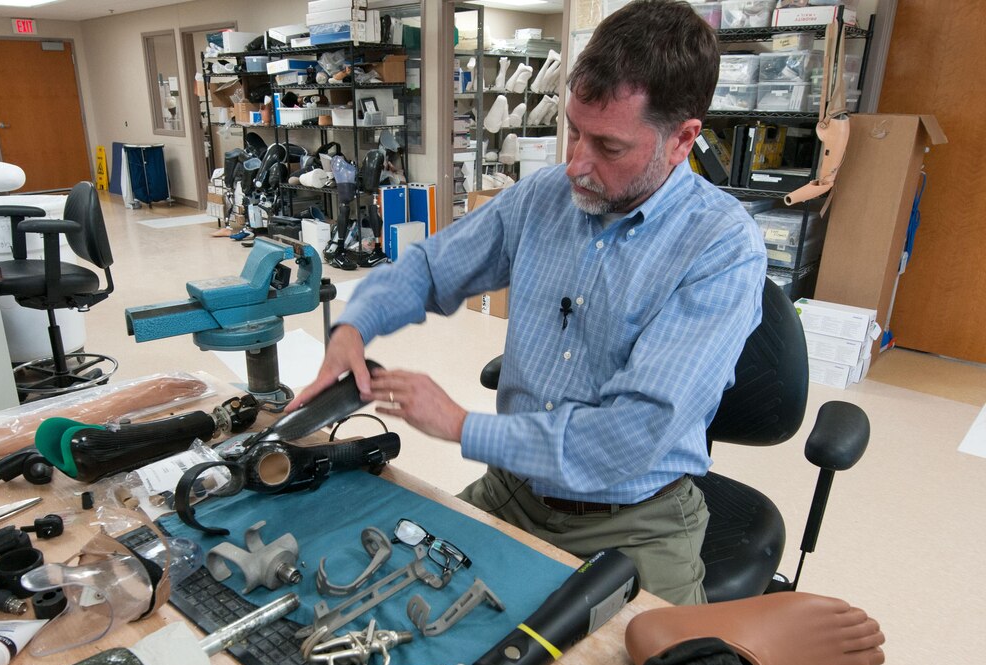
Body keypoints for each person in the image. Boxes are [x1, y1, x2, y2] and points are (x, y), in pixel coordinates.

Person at [287, 0, 767, 605]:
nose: (577, 165)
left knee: (654, 662)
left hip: (635, 521)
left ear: (682, 140)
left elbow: (629, 436)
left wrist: (462, 425)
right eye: (574, 131)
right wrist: (354, 327)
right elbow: (432, 267)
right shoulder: (543, 197)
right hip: (513, 490)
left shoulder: (722, 248)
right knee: (389, 597)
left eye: (608, 146)